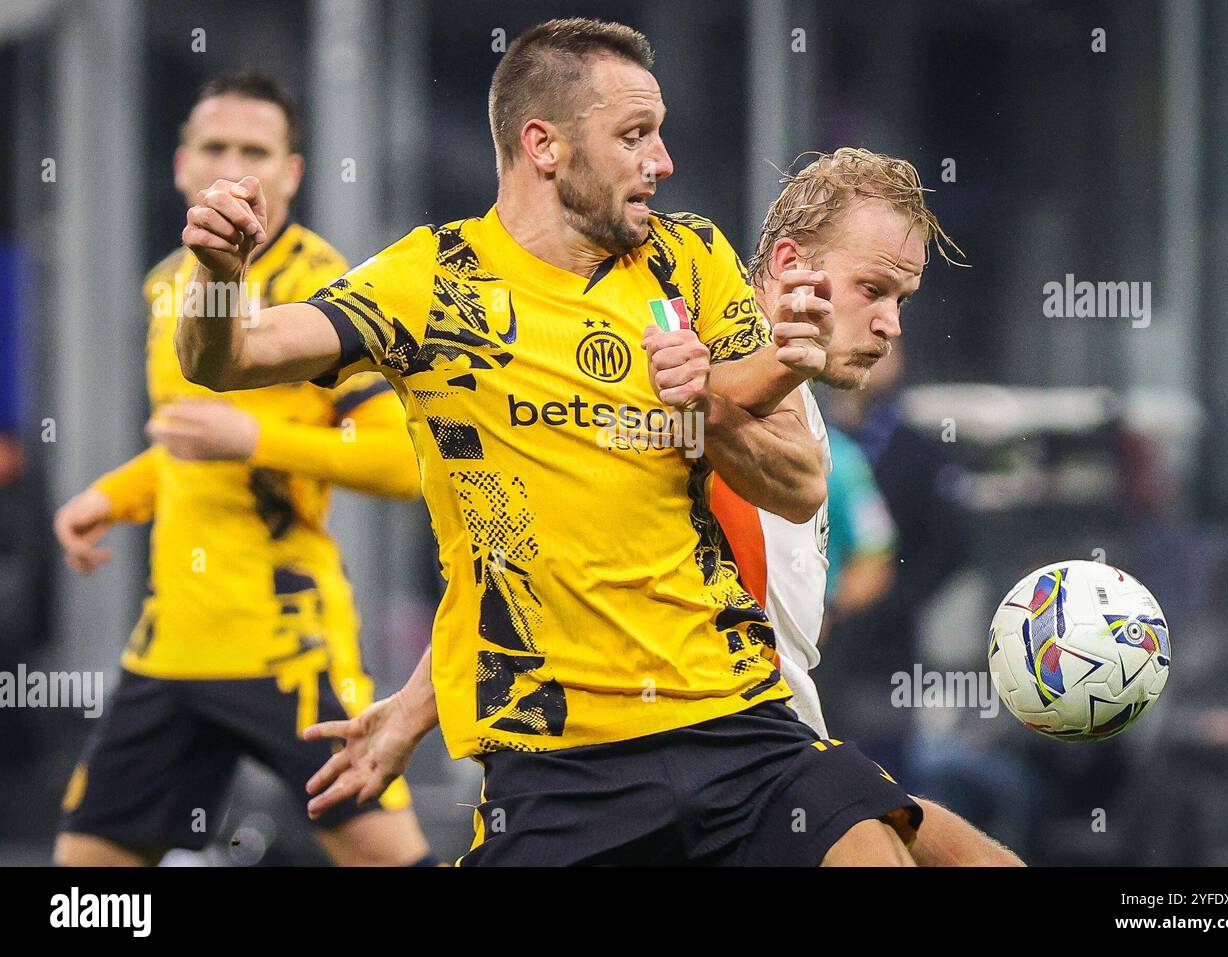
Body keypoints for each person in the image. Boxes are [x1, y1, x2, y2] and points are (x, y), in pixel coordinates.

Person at [178, 19, 926, 866]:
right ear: (544, 145)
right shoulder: (429, 283)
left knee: (881, 852)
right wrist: (218, 277)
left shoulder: (692, 261)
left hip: (736, 725)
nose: (663, 161)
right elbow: (229, 358)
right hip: (557, 763)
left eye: (661, 133)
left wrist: (702, 403)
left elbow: (798, 483)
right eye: (635, 136)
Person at [52, 74, 433, 867]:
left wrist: (253, 441)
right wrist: (110, 497)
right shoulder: (168, 284)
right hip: (170, 646)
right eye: (214, 148)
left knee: (387, 858)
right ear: (182, 164)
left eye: (253, 151)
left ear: (290, 174)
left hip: (285, 646)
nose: (230, 165)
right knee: (87, 882)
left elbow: (402, 459)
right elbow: (187, 443)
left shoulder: (329, 291)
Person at [711, 147, 1021, 864]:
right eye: (872, 290)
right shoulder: (703, 377)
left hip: (789, 737)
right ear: (788, 263)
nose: (893, 325)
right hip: (727, 755)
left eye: (901, 301)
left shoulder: (812, 416)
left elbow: (877, 558)